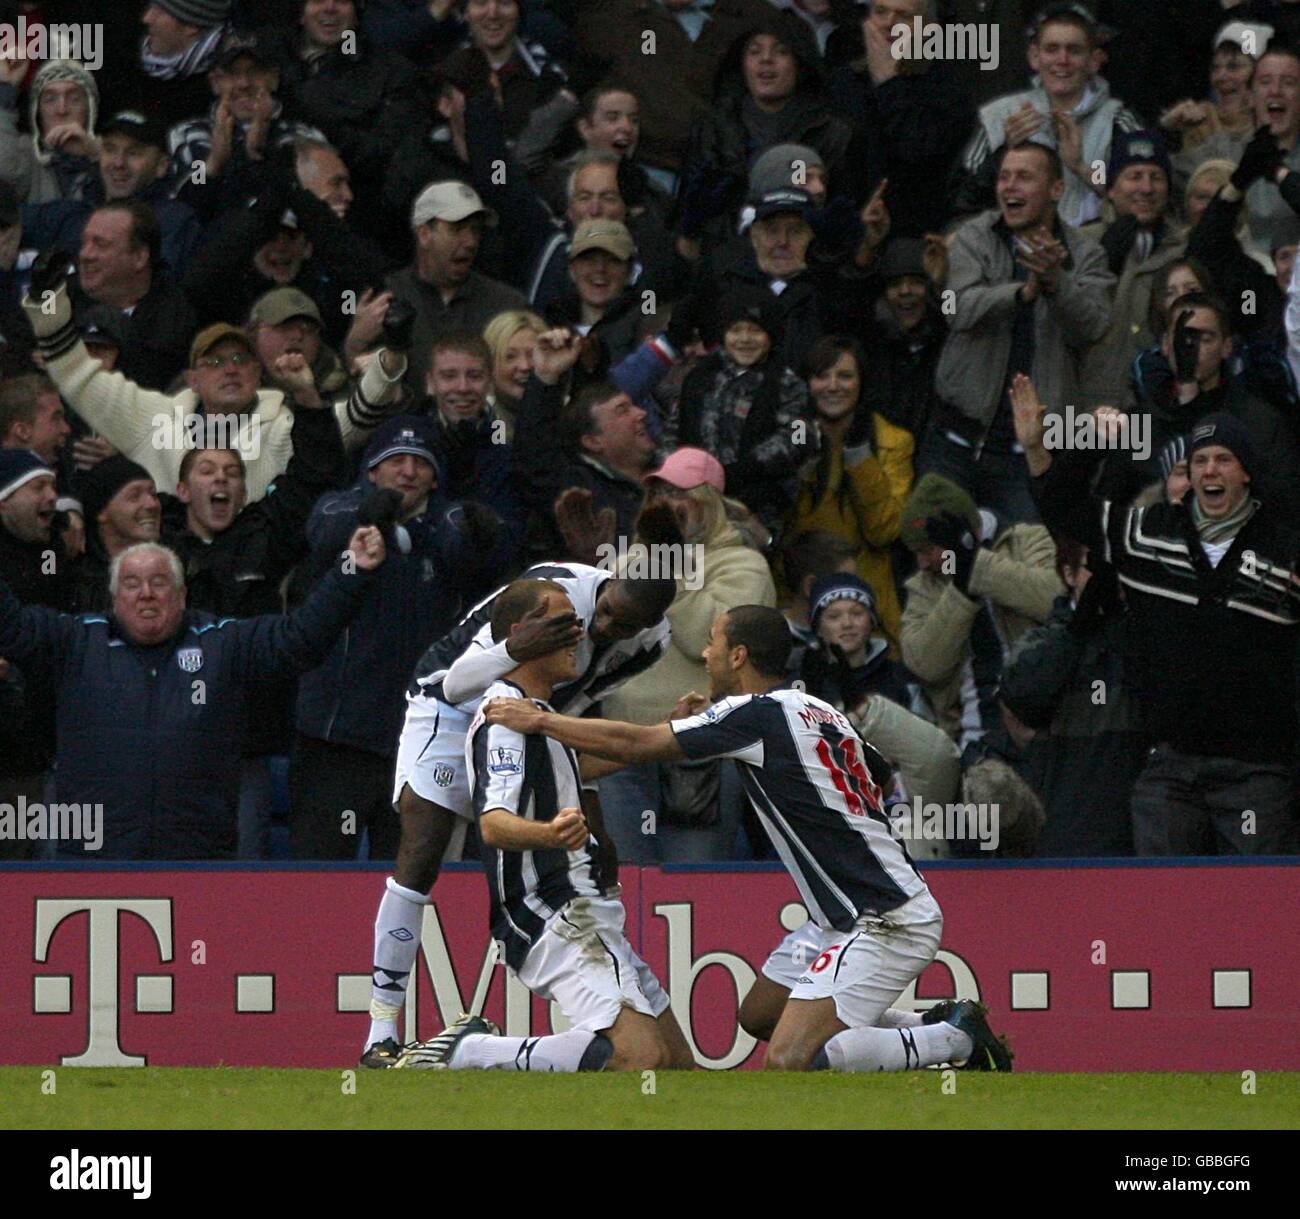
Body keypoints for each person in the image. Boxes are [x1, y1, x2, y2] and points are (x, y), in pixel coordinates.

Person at [483, 603, 1013, 1073]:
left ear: (737, 656)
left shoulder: (752, 714)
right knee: (760, 1014)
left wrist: (540, 721)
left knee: (790, 1060)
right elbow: (874, 773)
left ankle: (954, 1038)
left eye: (713, 643)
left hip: (885, 915)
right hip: (840, 916)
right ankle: (928, 1019)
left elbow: (636, 742)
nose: (706, 655)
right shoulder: (817, 709)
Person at [360, 560, 674, 1066]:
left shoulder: (651, 645)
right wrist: (517, 652)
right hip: (452, 708)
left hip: (536, 712)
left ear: (652, 624)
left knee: (602, 849)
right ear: (606, 583)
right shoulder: (552, 593)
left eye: (626, 626)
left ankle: (610, 967)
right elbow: (456, 684)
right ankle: (380, 1033)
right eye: (609, 612)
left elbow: (585, 693)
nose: (606, 629)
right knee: (419, 858)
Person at [0, 526, 387, 860]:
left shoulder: (224, 643)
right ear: (114, 599)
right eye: (131, 584)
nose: (146, 593)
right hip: (92, 860)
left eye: (159, 582)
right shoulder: (75, 641)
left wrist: (350, 571)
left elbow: (300, 639)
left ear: (183, 595)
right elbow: (11, 627)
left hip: (198, 863)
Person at [1024, 392, 1300, 856]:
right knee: (1163, 914)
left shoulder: (1285, 549)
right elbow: (1063, 506)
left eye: (1224, 459)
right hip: (1170, 770)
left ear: (1247, 472)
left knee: (1258, 918)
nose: (1210, 470)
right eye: (1200, 460)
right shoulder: (1147, 535)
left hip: (1260, 775)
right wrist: (1088, 441)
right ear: (1188, 475)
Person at [289, 414, 502, 860]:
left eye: (420, 463)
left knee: (409, 871)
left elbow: (468, 544)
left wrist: (479, 535)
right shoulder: (341, 508)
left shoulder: (447, 521)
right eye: (396, 460)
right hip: (336, 737)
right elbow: (322, 527)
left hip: (420, 739)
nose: (408, 471)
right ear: (371, 471)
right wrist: (375, 515)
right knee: (317, 872)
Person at [23, 264, 409, 502]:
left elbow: (358, 418)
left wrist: (391, 356)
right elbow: (77, 375)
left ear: (259, 374)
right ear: (192, 378)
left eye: (242, 359)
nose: (230, 369)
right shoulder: (154, 421)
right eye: (215, 361)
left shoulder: (283, 427)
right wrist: (47, 300)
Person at [598, 450, 778, 864]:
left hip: (698, 753)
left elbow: (703, 639)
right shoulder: (632, 559)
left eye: (679, 493)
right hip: (622, 748)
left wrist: (670, 566)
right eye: (659, 493)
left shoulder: (744, 565)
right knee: (623, 882)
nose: (666, 503)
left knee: (691, 881)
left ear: (709, 502)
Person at [928, 141, 1113, 522]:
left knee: (1029, 565)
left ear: (1056, 190)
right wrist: (1023, 292)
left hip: (1032, 454)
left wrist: (1055, 282)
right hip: (955, 444)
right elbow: (955, 308)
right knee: (937, 558)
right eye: (1004, 177)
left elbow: (1093, 327)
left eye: (1024, 177)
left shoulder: (1086, 253)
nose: (1009, 187)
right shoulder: (972, 237)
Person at [998, 538, 1145, 857]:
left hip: (1140, 832)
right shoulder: (1042, 641)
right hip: (1064, 830)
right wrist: (1080, 628)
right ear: (1069, 574)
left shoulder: (1146, 638)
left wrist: (1118, 623)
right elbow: (1023, 697)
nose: (1110, 578)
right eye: (1096, 569)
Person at [899, 471, 1061, 749]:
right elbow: (925, 665)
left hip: (1050, 708)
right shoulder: (923, 586)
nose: (922, 562)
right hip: (975, 728)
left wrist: (976, 565)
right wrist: (961, 590)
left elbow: (1055, 601)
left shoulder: (1029, 541)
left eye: (927, 549)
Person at [951, 3, 1142, 228]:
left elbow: (1141, 196)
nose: (1062, 60)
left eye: (1074, 50)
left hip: (1095, 245)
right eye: (1051, 49)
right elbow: (962, 198)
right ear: (1034, 57)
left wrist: (1082, 167)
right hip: (1014, 244)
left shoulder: (1116, 120)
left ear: (1094, 61)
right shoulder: (1000, 116)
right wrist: (1003, 154)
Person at [786, 335, 914, 651]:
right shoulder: (787, 435)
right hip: (796, 600)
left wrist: (858, 455)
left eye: (844, 376)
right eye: (821, 376)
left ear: (862, 382)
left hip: (867, 603)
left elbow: (884, 531)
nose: (833, 386)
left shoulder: (894, 441)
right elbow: (788, 531)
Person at [666, 292, 810, 533]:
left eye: (755, 330)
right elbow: (672, 432)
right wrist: (675, 479)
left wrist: (746, 468)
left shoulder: (788, 383)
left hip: (757, 508)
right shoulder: (699, 378)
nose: (744, 339)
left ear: (770, 335)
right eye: (736, 330)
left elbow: (799, 437)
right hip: (694, 504)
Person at [511, 327, 657, 562]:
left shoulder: (674, 477)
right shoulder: (580, 489)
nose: (640, 414)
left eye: (634, 405)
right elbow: (535, 458)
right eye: (623, 410)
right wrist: (545, 378)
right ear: (593, 441)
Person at [0, 451, 76, 859]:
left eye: (53, 486)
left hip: (41, 746)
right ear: (4, 500)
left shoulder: (51, 552)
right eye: (38, 487)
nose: (52, 497)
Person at [385, 180, 528, 393]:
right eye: (457, 229)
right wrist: (354, 344)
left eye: (475, 230)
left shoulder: (507, 303)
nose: (470, 241)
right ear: (424, 234)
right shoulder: (387, 297)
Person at [1079, 131, 1188, 408]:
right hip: (1088, 406)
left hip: (1159, 405)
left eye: (1156, 177)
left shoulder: (1183, 248)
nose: (1147, 188)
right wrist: (1104, 260)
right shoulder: (1080, 243)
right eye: (1134, 176)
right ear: (1112, 188)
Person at [0, 58, 100, 205]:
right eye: (49, 99)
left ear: (90, 109)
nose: (62, 109)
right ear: (37, 112)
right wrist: (6, 89)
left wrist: (94, 158)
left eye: (74, 99)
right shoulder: (25, 154)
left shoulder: (109, 155)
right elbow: (5, 172)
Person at [482, 306, 545, 438]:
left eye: (533, 355)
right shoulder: (481, 419)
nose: (525, 366)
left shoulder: (568, 415)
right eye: (510, 356)